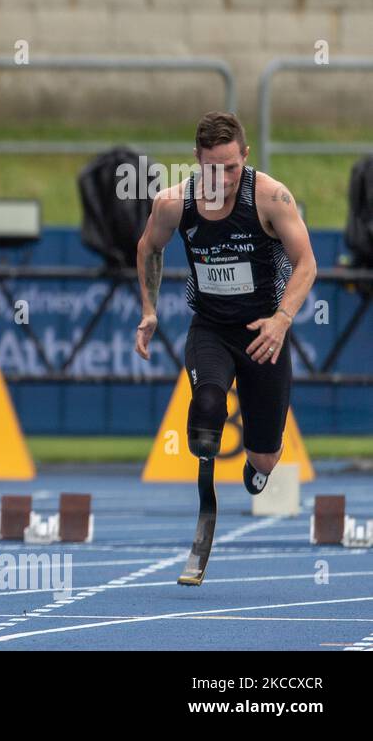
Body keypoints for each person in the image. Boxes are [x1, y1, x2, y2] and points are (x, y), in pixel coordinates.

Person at [134, 111, 316, 585]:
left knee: (264, 457)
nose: (223, 178)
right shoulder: (174, 203)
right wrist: (149, 309)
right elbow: (149, 248)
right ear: (196, 161)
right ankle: (205, 470)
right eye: (213, 168)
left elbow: (306, 264)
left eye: (232, 168)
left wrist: (281, 320)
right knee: (208, 402)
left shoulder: (272, 197)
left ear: (246, 157)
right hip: (210, 328)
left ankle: (256, 469)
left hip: (263, 333)